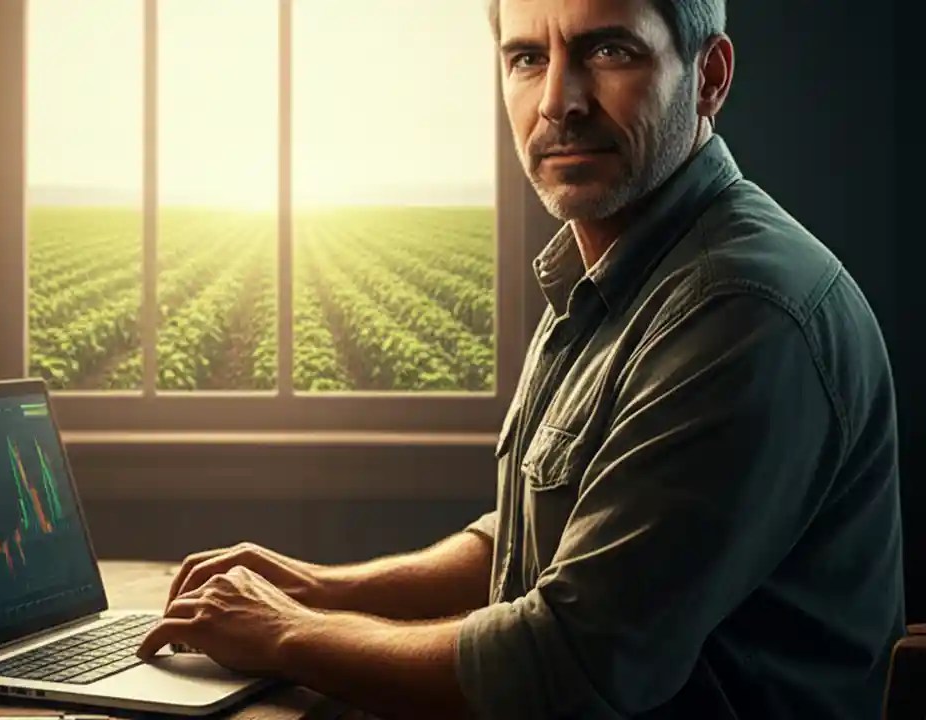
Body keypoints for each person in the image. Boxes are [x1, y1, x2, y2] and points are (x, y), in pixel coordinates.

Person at [135, 0, 907, 717]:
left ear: (708, 77)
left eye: (609, 50)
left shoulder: (738, 310)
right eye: (527, 58)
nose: (557, 103)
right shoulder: (617, 264)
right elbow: (545, 536)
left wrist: (284, 631)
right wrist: (315, 586)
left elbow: (568, 664)